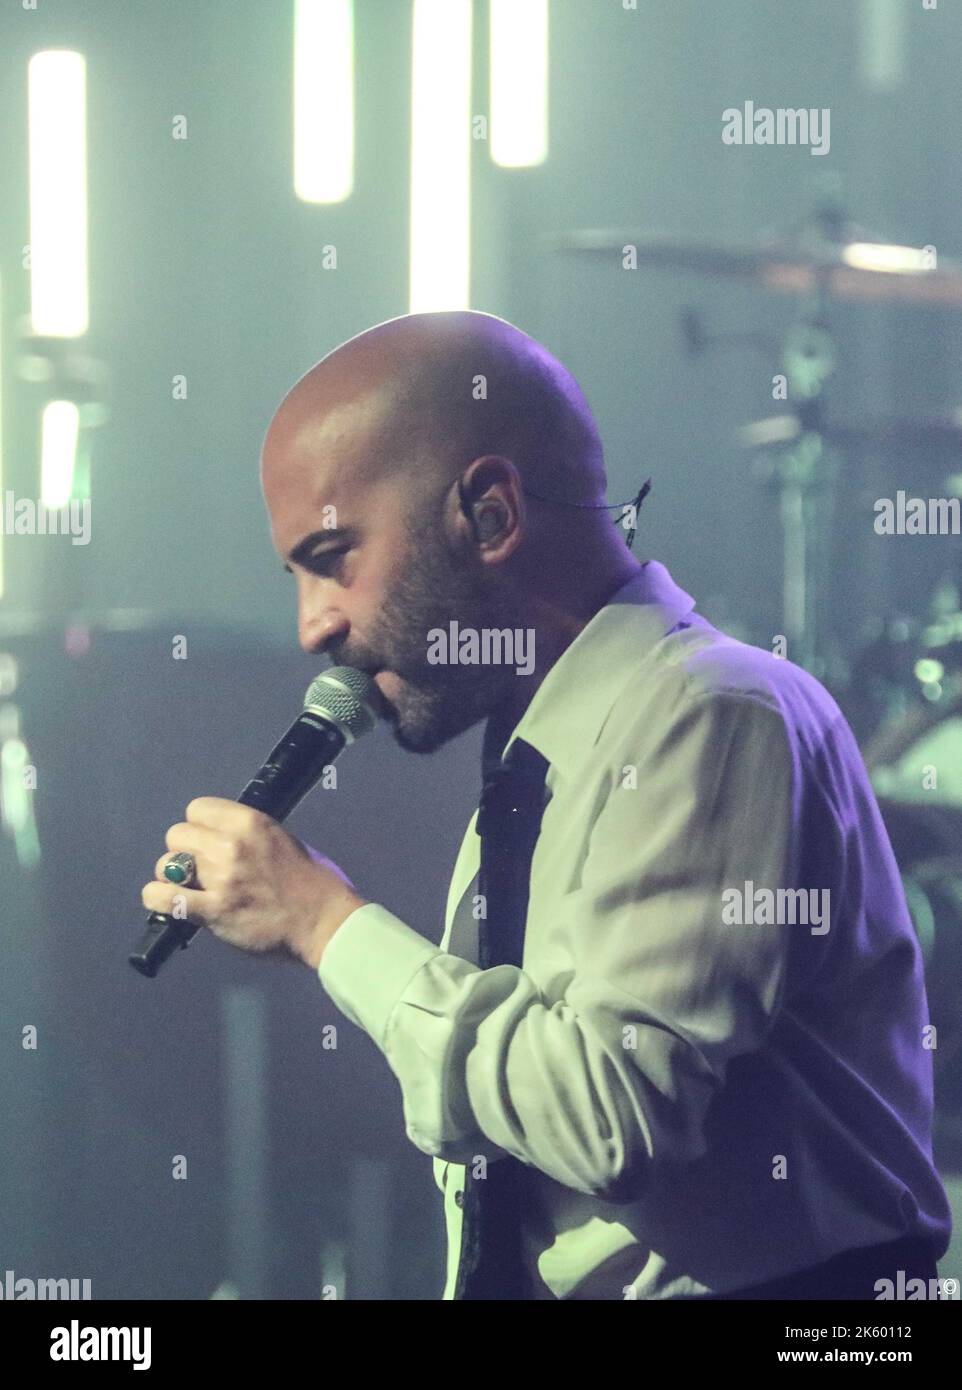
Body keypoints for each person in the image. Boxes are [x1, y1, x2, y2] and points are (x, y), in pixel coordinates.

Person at [142, 309, 953, 1299]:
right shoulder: (538, 753)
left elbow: (607, 1122)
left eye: (333, 555)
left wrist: (322, 921)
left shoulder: (712, 713)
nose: (313, 624)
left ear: (489, 515)